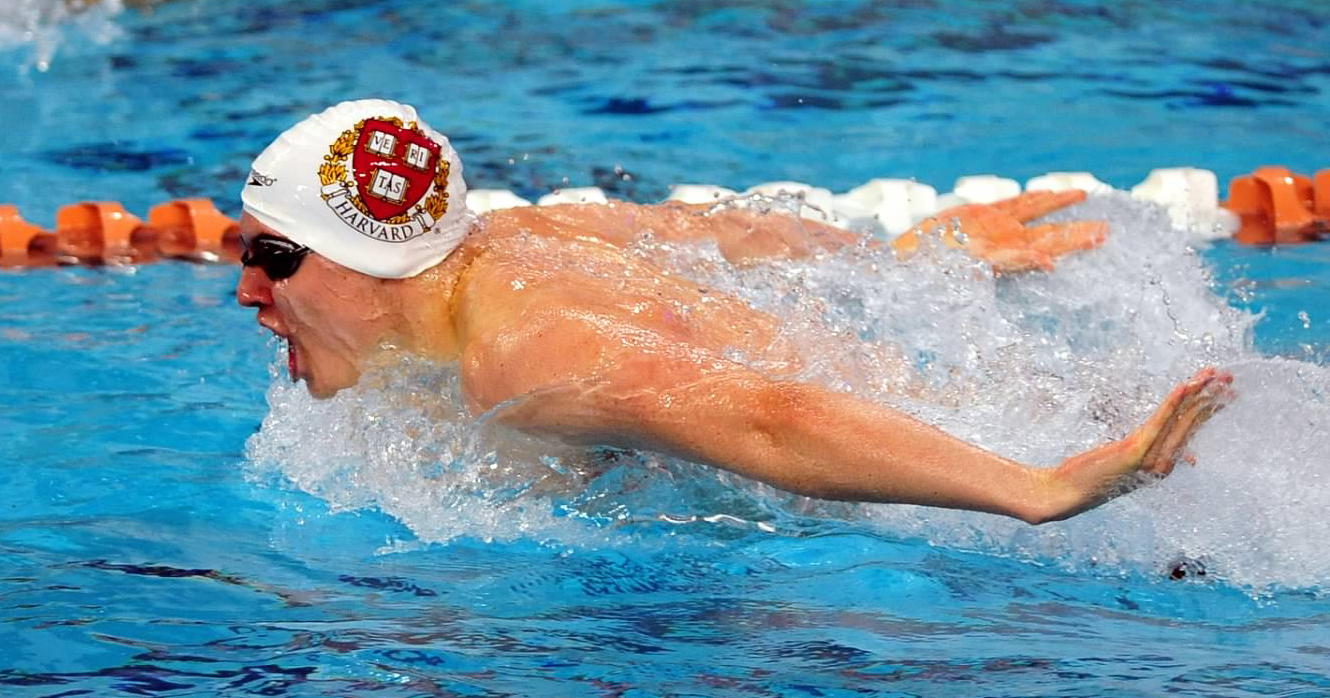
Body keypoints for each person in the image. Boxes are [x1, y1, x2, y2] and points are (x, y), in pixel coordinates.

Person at [236, 99, 1233, 525]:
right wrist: (914, 255)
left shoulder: (523, 358)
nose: (246, 290)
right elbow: (726, 232)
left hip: (962, 471)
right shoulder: (529, 236)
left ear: (375, 261)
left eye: (271, 257)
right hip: (967, 400)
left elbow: (766, 415)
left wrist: (1040, 487)